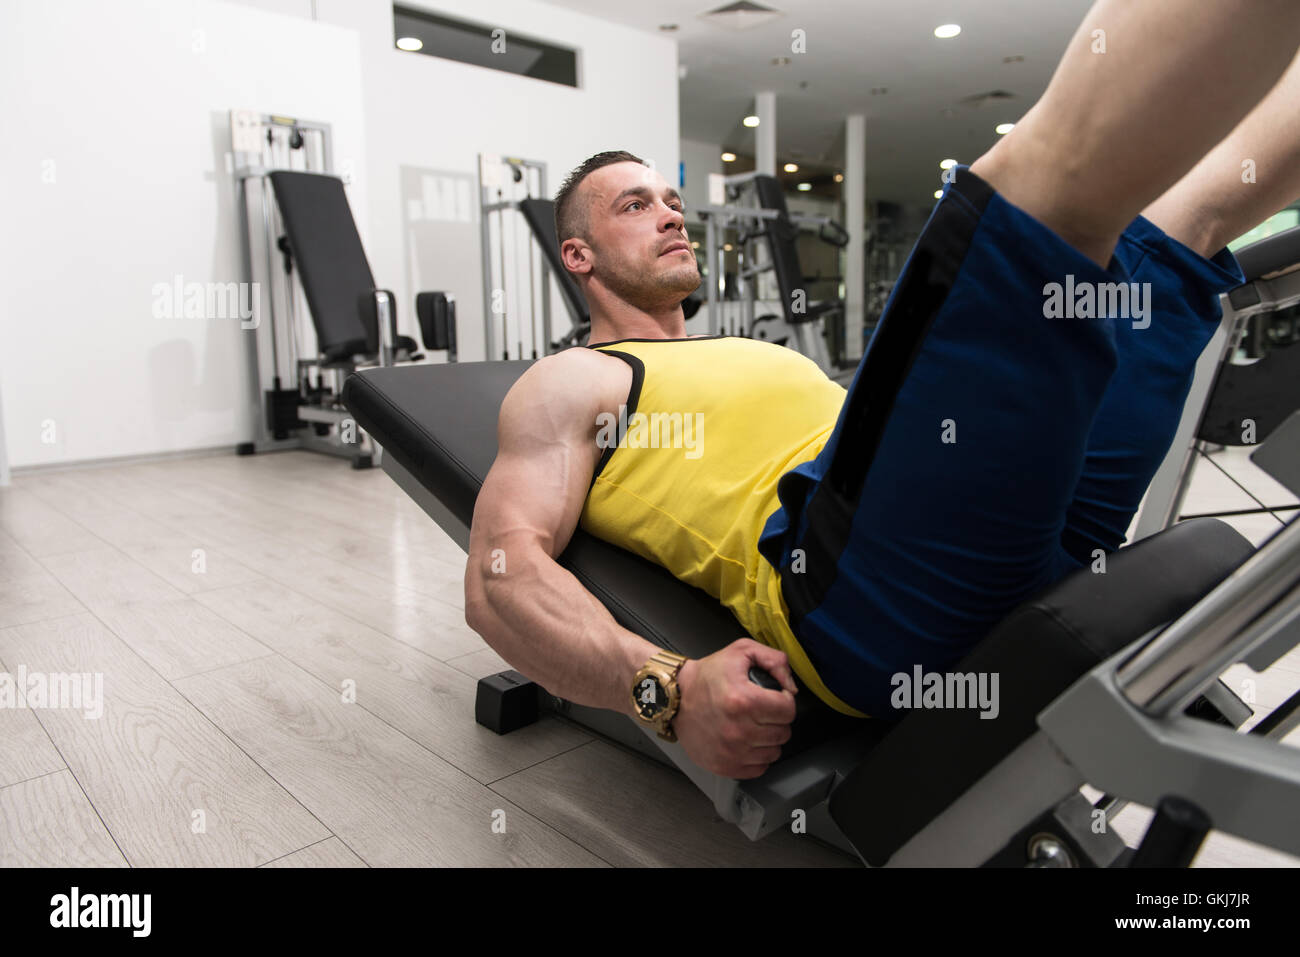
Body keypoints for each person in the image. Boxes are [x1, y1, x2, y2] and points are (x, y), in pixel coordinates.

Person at [465, 0, 1300, 780]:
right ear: (576, 256)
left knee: (1180, 230)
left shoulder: (742, 345)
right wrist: (666, 690)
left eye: (674, 200)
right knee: (1032, 195)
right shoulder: (573, 377)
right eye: (636, 205)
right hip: (857, 594)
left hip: (1024, 537)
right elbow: (498, 577)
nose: (673, 215)